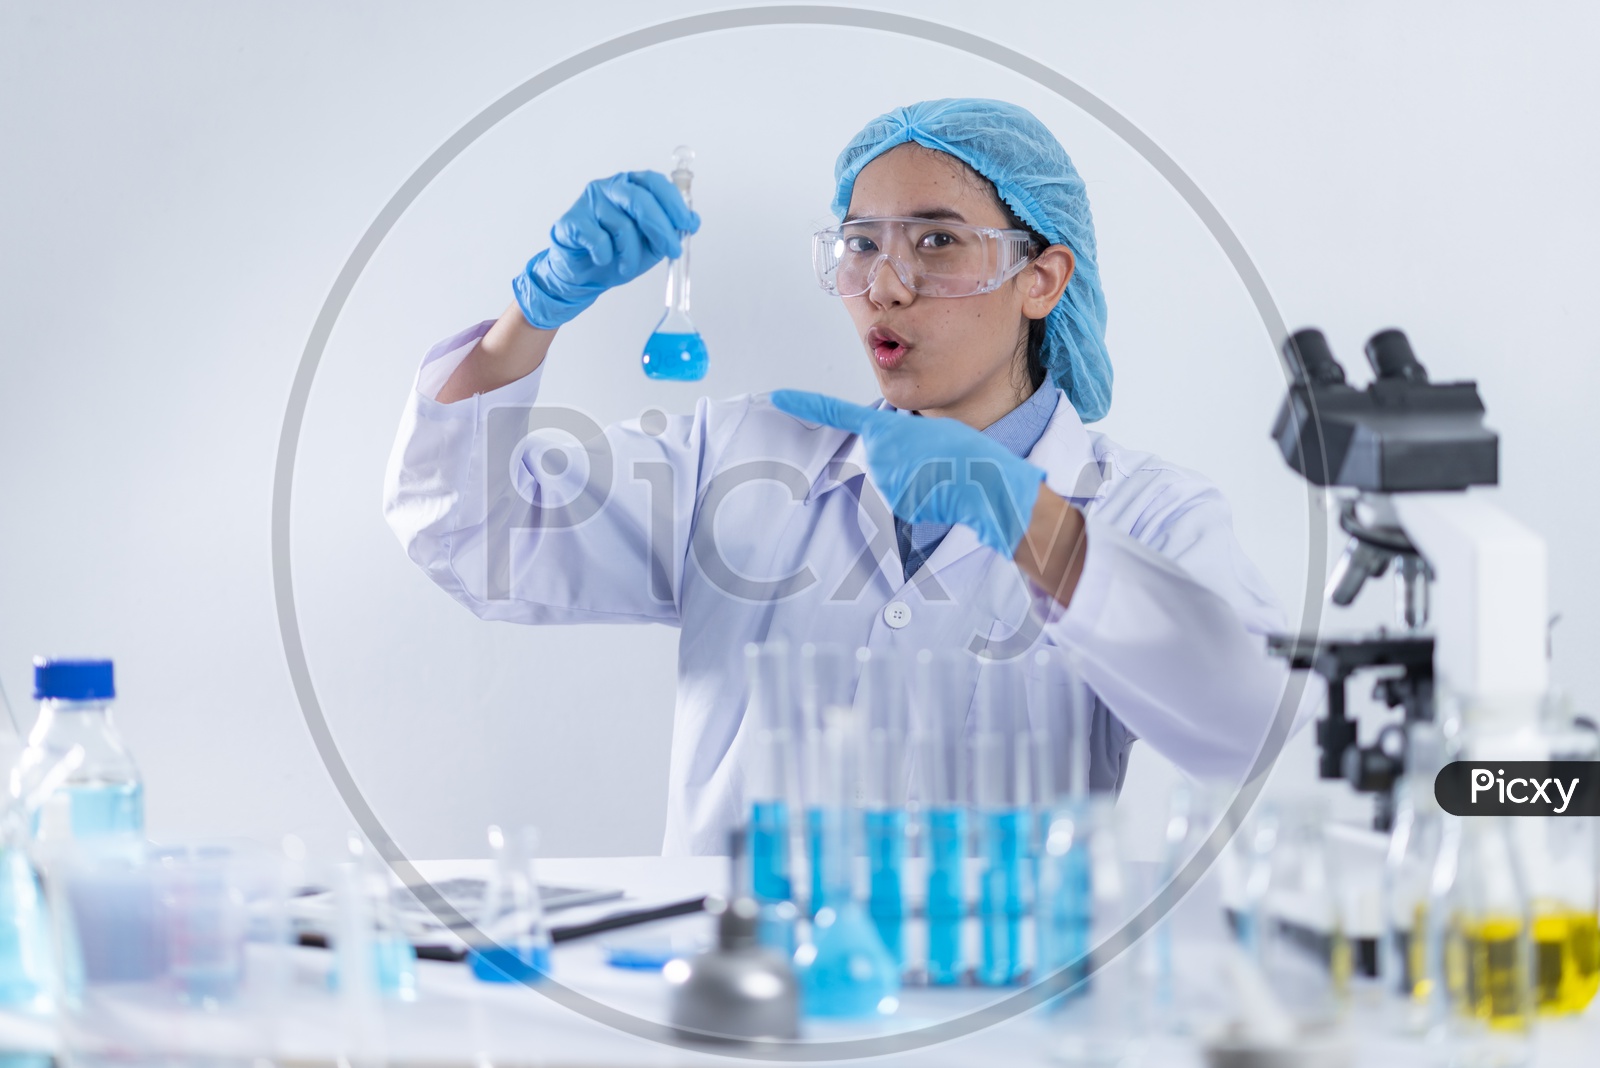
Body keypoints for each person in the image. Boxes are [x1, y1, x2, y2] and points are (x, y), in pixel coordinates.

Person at [384, 98, 1288, 855]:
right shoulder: (740, 459)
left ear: (1042, 277)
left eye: (935, 241)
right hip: (738, 1014)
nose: (884, 287)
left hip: (984, 1022)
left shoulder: (1147, 512)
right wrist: (533, 313)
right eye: (860, 243)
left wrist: (1033, 523)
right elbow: (470, 535)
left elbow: (1249, 726)